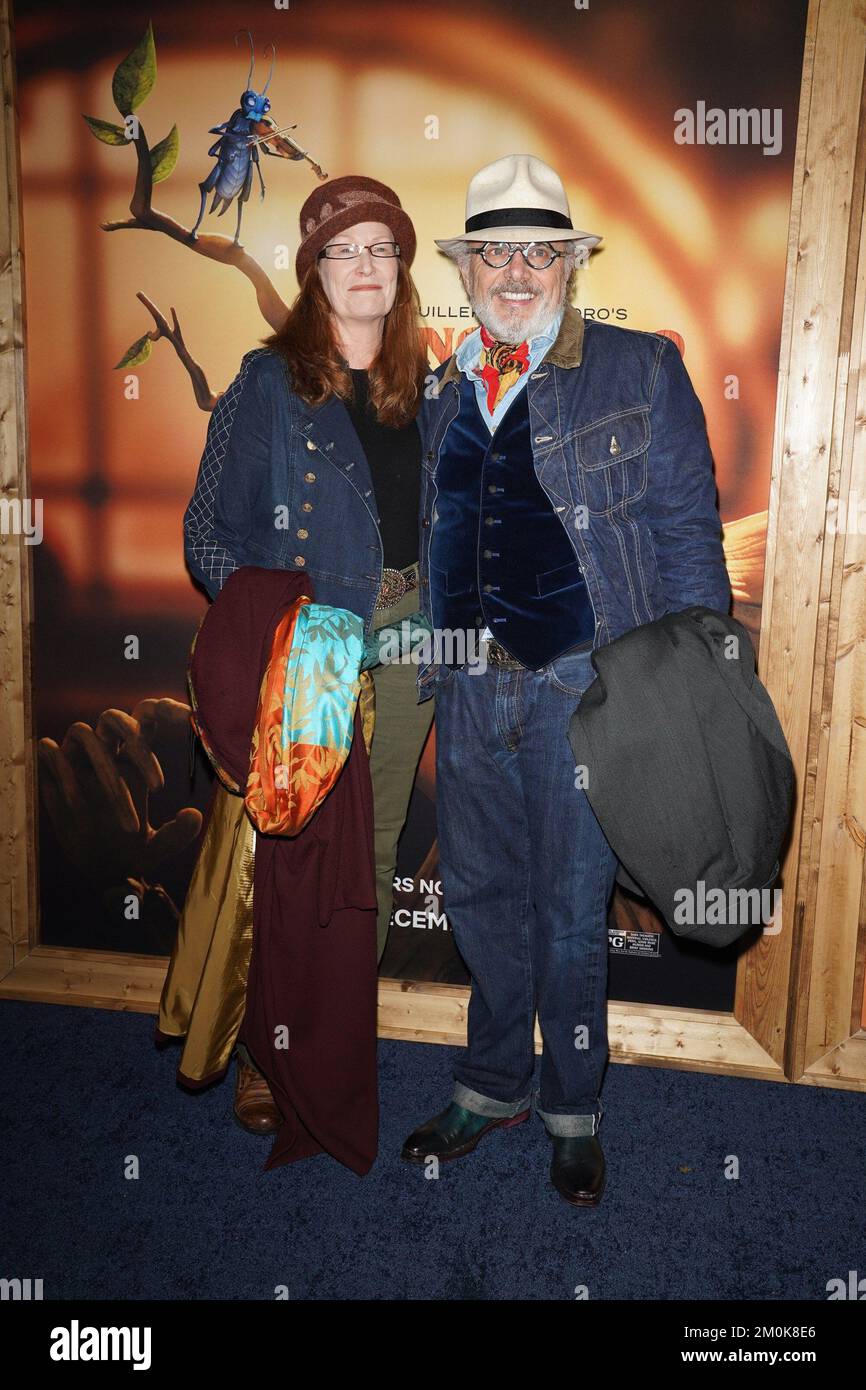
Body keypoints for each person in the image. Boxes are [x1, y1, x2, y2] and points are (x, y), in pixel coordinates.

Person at [402, 154, 731, 1206]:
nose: (512, 271)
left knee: (567, 909)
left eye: (535, 251)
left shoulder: (640, 369)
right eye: (492, 250)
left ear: (567, 267)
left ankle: (571, 1108)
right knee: (480, 897)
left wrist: (693, 689)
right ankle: (491, 1082)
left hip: (579, 689)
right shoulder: (442, 387)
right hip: (465, 684)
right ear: (466, 270)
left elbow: (687, 540)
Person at [182, 174, 434, 1135]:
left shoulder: (434, 385)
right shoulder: (267, 383)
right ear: (314, 269)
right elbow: (208, 532)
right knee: (288, 854)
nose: (365, 266)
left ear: (402, 266)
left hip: (412, 637)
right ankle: (265, 1054)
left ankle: (330, 1035)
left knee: (366, 858)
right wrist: (284, 630)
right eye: (344, 250)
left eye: (382, 248)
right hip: (316, 643)